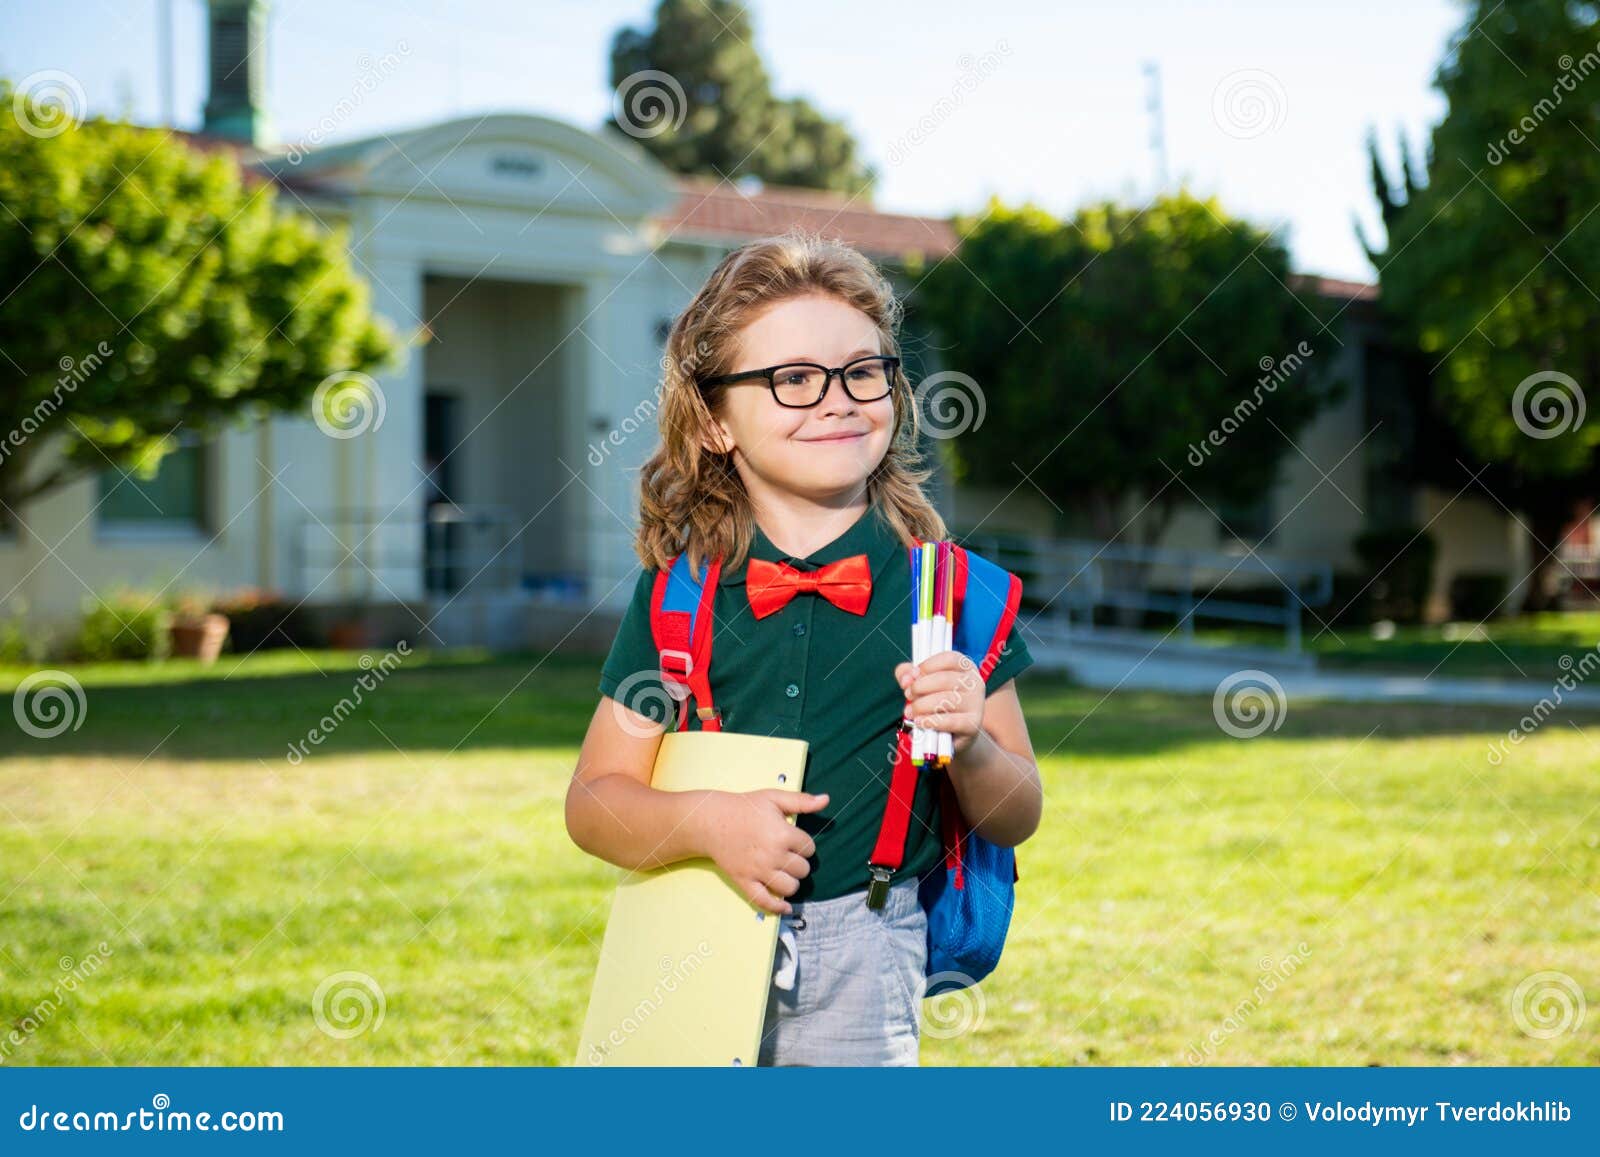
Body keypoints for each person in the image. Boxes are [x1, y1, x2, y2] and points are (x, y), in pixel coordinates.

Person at [564, 230, 1042, 1066]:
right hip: (696, 936)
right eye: (793, 379)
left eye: (863, 371)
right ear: (714, 420)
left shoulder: (953, 594)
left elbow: (1019, 810)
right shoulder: (678, 598)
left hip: (869, 953)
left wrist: (969, 744)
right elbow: (594, 803)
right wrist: (708, 823)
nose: (837, 400)